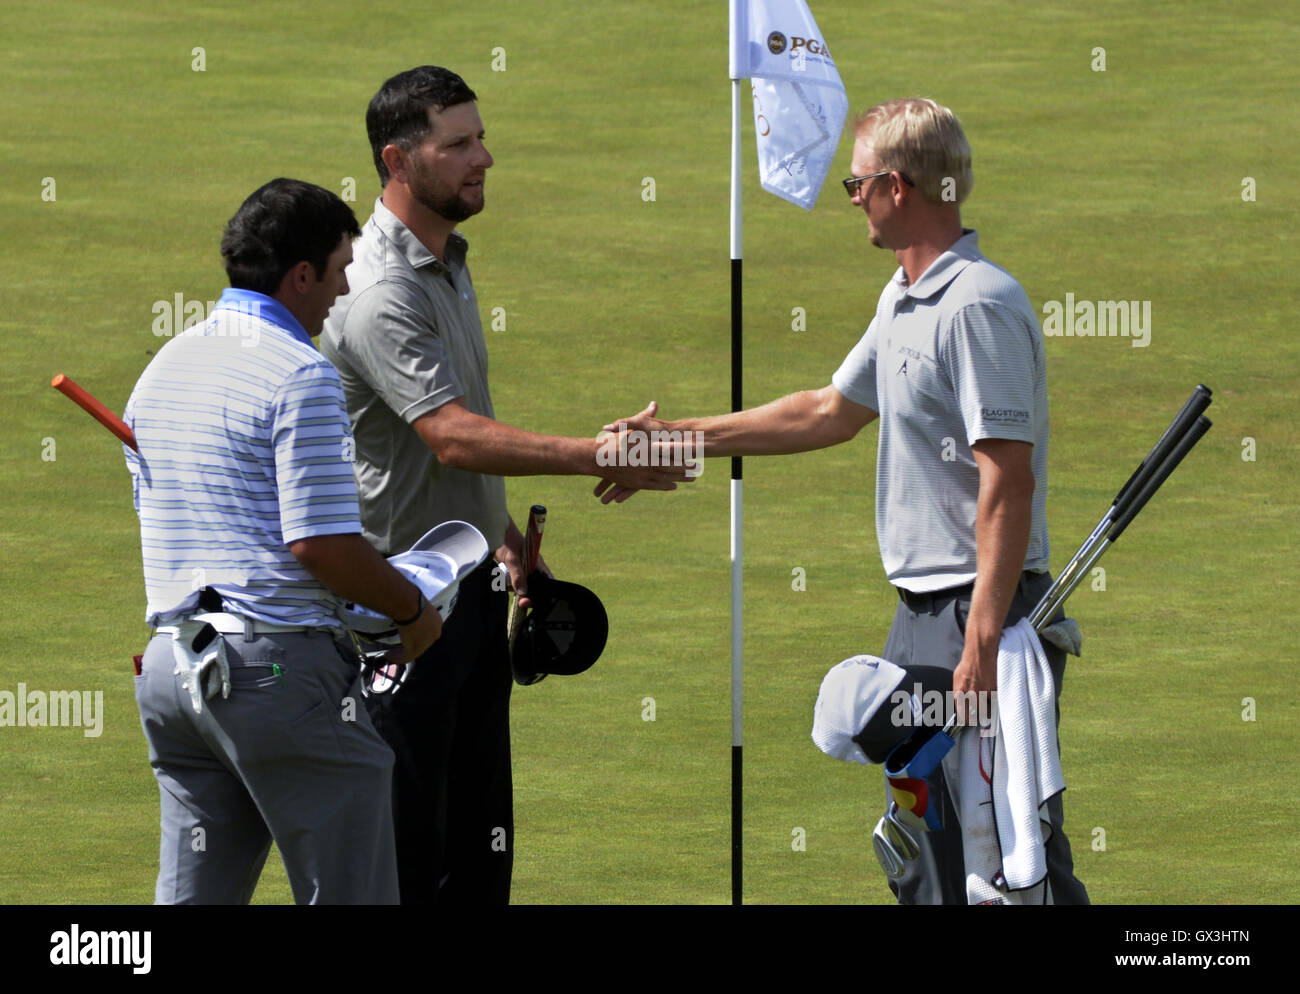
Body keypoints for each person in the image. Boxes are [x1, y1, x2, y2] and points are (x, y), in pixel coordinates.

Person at [608, 98, 1089, 905]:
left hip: (977, 612)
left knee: (999, 850)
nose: (853, 199)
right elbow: (826, 411)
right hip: (924, 613)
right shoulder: (904, 297)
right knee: (931, 838)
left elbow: (1007, 476)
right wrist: (677, 440)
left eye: (857, 184)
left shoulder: (975, 304)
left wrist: (979, 642)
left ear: (898, 187)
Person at [320, 66, 688, 904]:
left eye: (480, 137)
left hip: (474, 596)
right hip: (402, 614)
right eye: (458, 145)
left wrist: (507, 544)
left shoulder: (446, 261)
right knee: (409, 858)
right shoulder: (381, 290)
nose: (483, 157)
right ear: (398, 160)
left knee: (479, 857)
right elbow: (448, 438)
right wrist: (601, 455)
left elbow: (451, 435)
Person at [127, 178, 443, 905]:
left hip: (174, 674)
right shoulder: (301, 374)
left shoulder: (162, 368)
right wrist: (410, 612)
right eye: (338, 270)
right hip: (274, 679)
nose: (344, 288)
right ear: (301, 276)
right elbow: (321, 546)